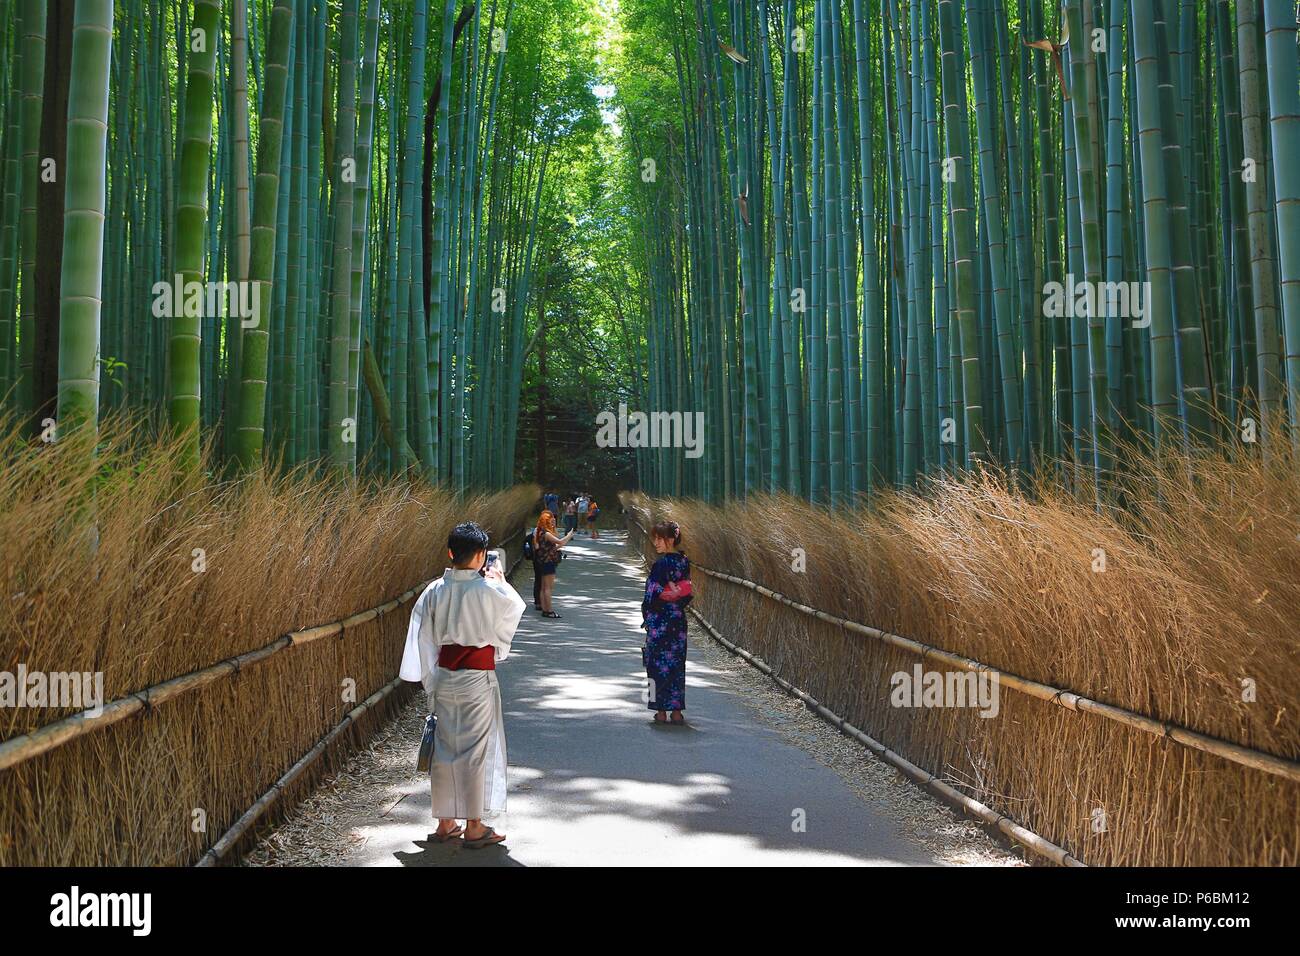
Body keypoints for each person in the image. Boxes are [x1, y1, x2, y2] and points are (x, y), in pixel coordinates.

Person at [399, 522, 526, 848]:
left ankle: (445, 824)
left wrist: (431, 679)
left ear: (450, 552)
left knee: (445, 748)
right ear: (483, 556)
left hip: (444, 675)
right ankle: (473, 826)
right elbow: (513, 610)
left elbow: (424, 638)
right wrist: (501, 582)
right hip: (476, 678)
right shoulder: (489, 590)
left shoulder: (434, 590)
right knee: (475, 751)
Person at [642, 520, 693, 725]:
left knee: (655, 665)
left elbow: (651, 593)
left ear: (670, 539)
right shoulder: (684, 561)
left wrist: (647, 615)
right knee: (676, 665)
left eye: (659, 538)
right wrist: (675, 595)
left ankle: (660, 711)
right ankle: (677, 711)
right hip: (677, 620)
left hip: (660, 620)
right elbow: (687, 591)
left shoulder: (660, 564)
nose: (656, 542)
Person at [533, 510, 574, 618]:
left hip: (542, 561)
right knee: (548, 588)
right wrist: (569, 535)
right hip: (548, 562)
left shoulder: (540, 533)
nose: (552, 523)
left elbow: (552, 547)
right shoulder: (546, 534)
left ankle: (544, 609)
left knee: (543, 587)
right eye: (550, 521)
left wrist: (559, 546)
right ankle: (549, 610)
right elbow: (560, 542)